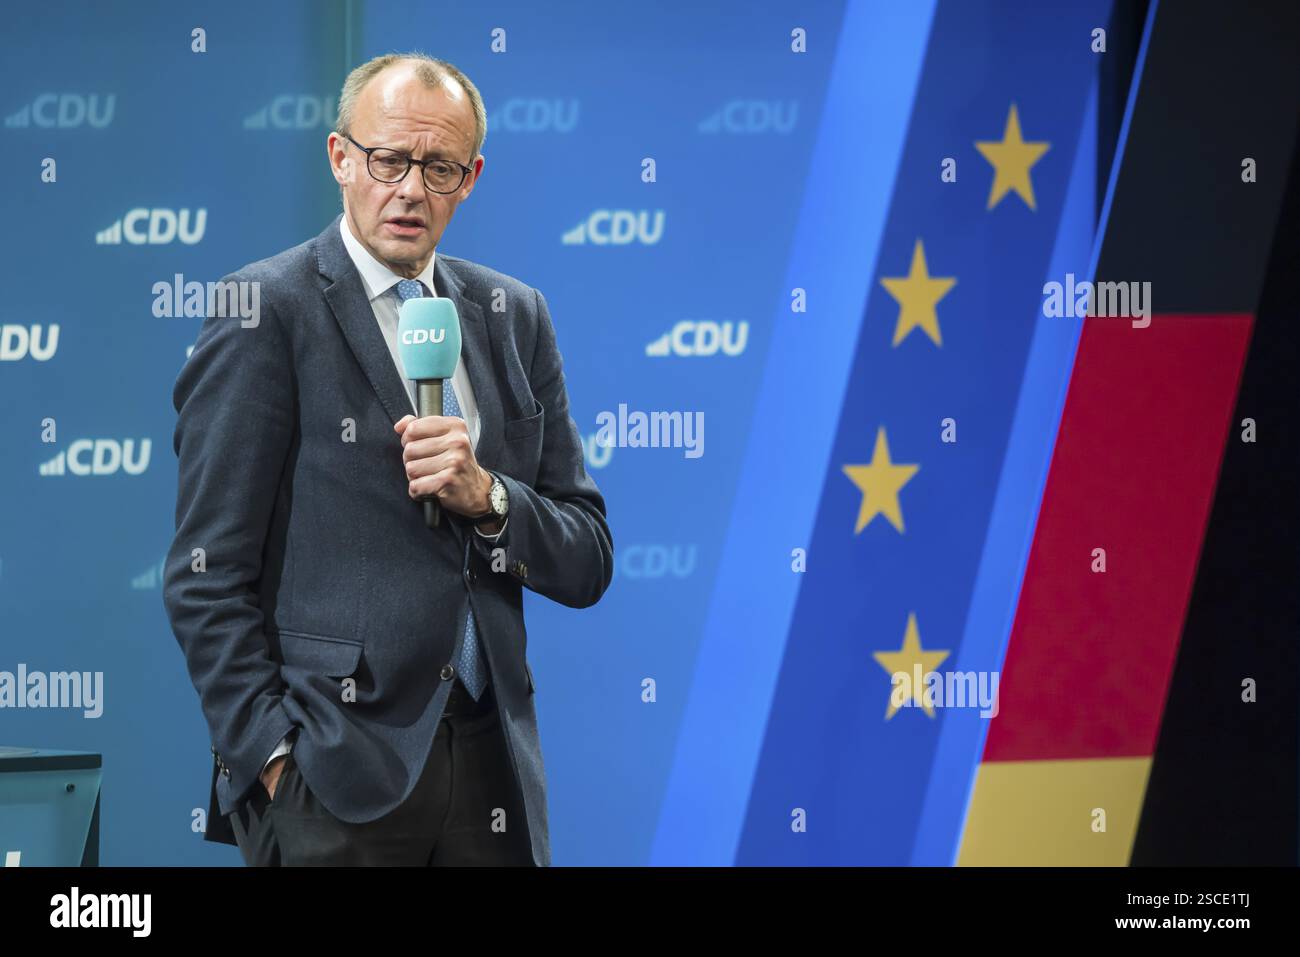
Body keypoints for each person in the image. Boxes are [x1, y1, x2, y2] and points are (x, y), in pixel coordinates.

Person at [162, 52, 613, 866]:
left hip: (493, 774)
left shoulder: (515, 315)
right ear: (341, 158)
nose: (411, 189)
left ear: (471, 177)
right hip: (331, 782)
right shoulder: (265, 310)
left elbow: (587, 556)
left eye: (438, 167)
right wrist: (272, 764)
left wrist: (491, 498)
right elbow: (204, 573)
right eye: (389, 159)